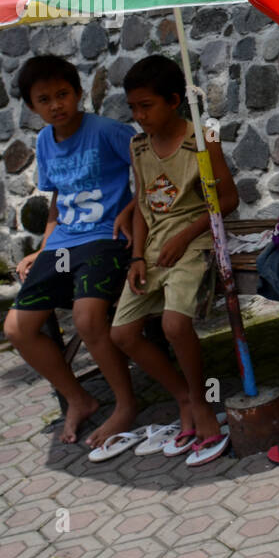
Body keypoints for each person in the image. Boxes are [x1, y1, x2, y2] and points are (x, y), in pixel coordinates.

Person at [107, 55, 238, 464]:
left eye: (146, 106)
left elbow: (228, 200)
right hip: (152, 249)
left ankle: (200, 402)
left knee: (173, 324)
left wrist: (184, 236)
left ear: (174, 100)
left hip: (195, 243)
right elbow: (143, 203)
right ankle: (181, 396)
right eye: (133, 107)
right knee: (123, 334)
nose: (138, 115)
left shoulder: (200, 141)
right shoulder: (138, 145)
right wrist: (136, 257)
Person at [2, 55, 136, 446]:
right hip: (63, 245)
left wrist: (130, 209)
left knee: (87, 318)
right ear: (32, 107)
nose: (56, 105)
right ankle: (80, 399)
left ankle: (125, 404)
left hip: (105, 240)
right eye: (44, 100)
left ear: (79, 93)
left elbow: (151, 167)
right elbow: (58, 199)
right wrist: (42, 249)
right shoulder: (44, 141)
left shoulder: (109, 131)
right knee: (17, 328)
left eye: (63, 94)